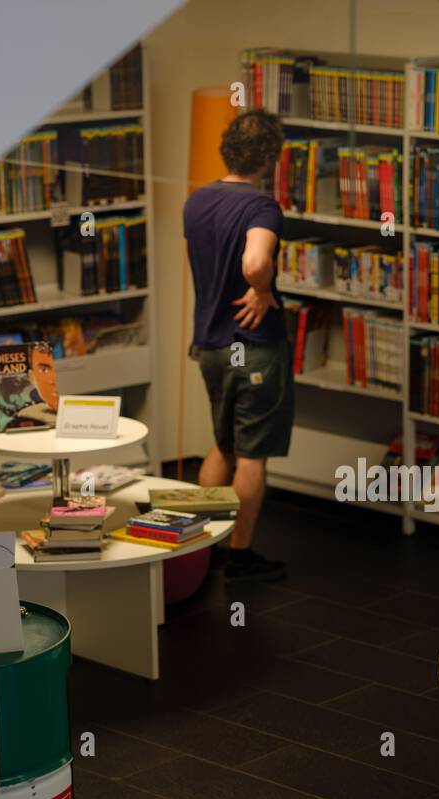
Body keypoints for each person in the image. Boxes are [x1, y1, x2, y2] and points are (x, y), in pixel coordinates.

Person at [183, 109, 290, 582]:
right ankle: (241, 556)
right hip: (252, 344)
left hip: (208, 345)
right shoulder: (261, 207)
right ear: (268, 155)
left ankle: (204, 550)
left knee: (222, 444)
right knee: (250, 454)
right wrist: (262, 289)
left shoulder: (197, 200)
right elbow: (253, 262)